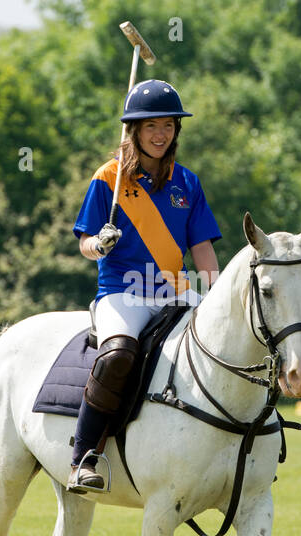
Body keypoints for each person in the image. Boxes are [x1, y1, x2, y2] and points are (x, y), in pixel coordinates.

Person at [67, 79, 221, 493]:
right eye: (151, 125)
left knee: (223, 343)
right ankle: (84, 455)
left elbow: (202, 248)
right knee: (117, 355)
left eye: (168, 125)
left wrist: (215, 295)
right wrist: (98, 243)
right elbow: (83, 243)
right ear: (133, 130)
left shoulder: (187, 183)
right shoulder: (109, 180)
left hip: (174, 291)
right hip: (122, 293)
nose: (160, 134)